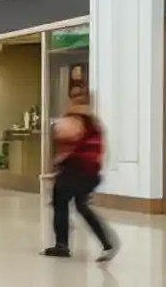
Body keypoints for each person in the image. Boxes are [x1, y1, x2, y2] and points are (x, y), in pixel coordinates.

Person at [42, 89, 118, 262]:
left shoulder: (75, 119)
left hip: (75, 170)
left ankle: (62, 245)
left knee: (60, 204)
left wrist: (58, 162)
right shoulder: (93, 122)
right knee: (80, 206)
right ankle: (107, 243)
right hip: (89, 172)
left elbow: (65, 138)